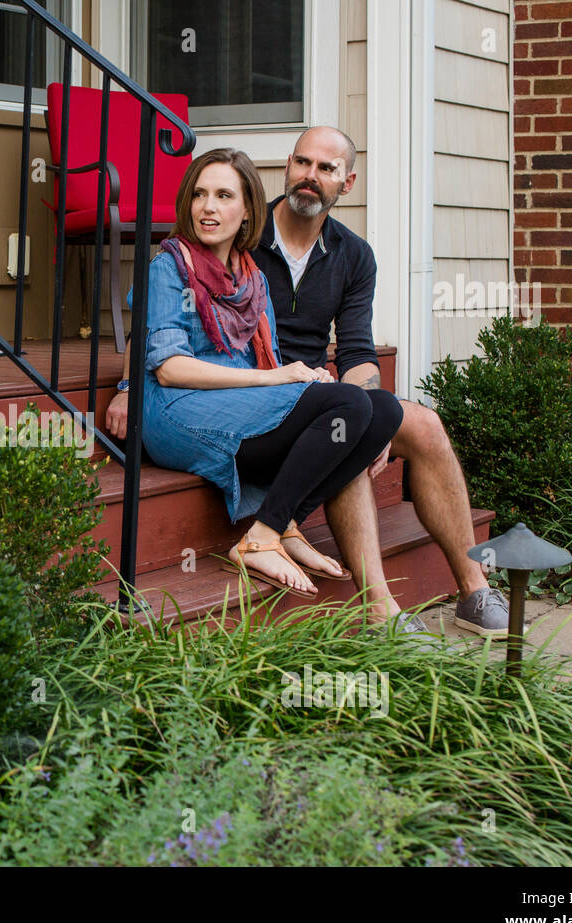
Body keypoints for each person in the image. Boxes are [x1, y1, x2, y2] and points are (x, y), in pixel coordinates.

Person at [107, 127, 509, 635]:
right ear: (285, 170)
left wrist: (343, 403)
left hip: (276, 391)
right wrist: (127, 386)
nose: (310, 176)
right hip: (225, 397)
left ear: (347, 181)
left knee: (392, 416)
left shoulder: (306, 262)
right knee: (346, 418)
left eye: (325, 168)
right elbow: (159, 346)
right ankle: (354, 591)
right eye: (302, 163)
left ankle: (471, 588)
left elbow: (356, 351)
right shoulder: (197, 257)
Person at [123, 147, 404, 608]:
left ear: (248, 208)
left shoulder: (251, 276)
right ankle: (265, 535)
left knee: (383, 410)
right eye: (198, 194)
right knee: (347, 404)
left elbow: (266, 359)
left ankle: (279, 524)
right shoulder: (169, 267)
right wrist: (277, 380)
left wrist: (296, 378)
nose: (208, 207)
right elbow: (169, 369)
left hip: (236, 410)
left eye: (223, 195)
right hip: (176, 413)